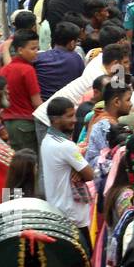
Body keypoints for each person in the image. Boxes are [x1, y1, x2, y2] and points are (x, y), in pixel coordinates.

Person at [40, 97, 94, 246]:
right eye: (69, 116)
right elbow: (90, 174)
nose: (75, 120)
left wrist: (76, 168)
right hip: (72, 215)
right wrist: (80, 169)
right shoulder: (66, 146)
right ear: (56, 120)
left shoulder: (47, 140)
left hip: (58, 212)